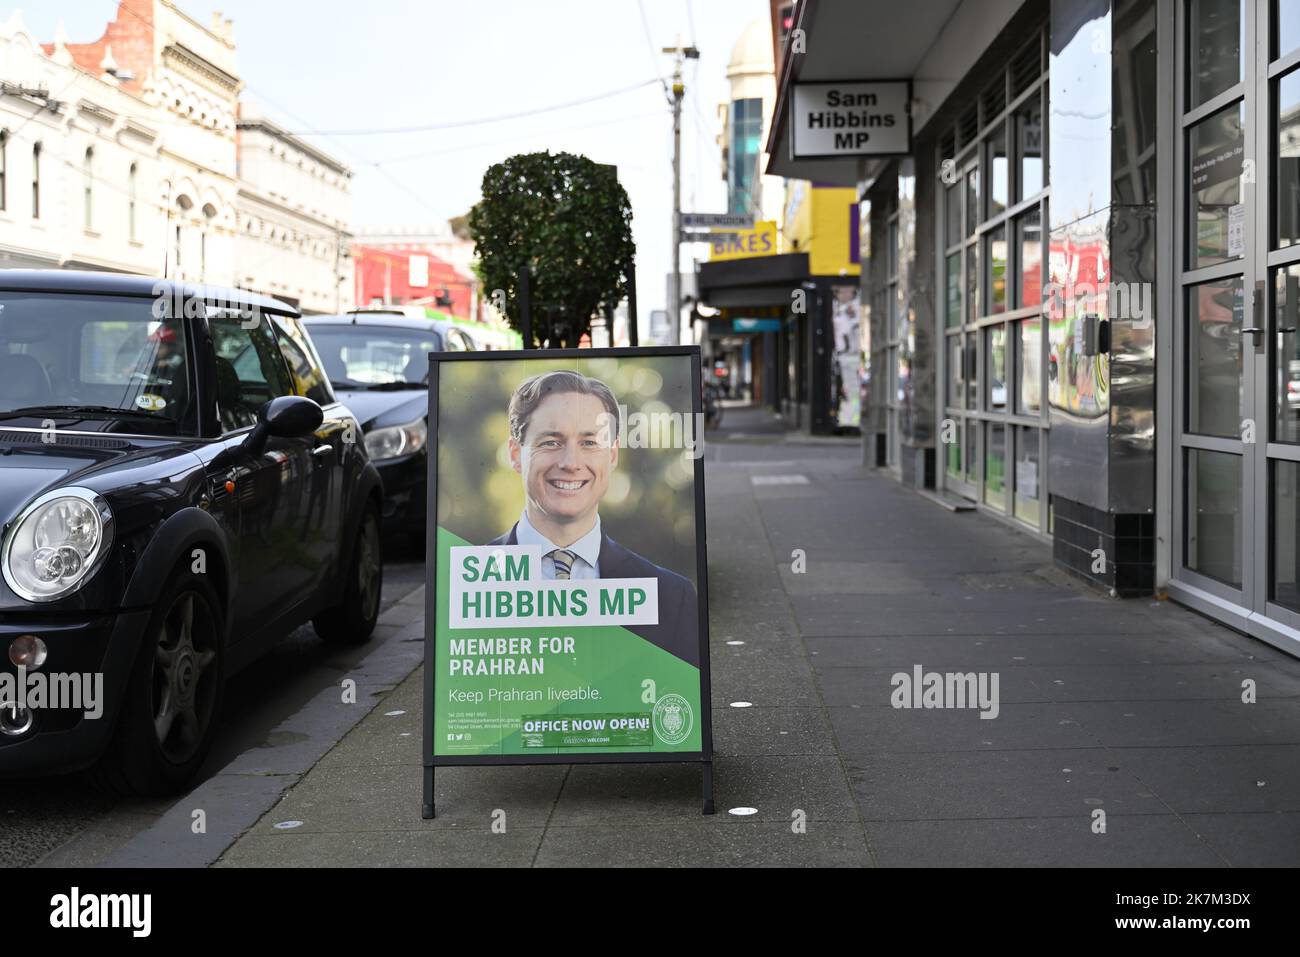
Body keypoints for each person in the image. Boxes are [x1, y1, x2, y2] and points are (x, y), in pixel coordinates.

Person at [488, 369, 700, 667]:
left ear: (612, 456)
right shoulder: (463, 587)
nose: (571, 463)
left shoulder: (670, 597)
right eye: (551, 442)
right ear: (515, 454)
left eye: (589, 443)